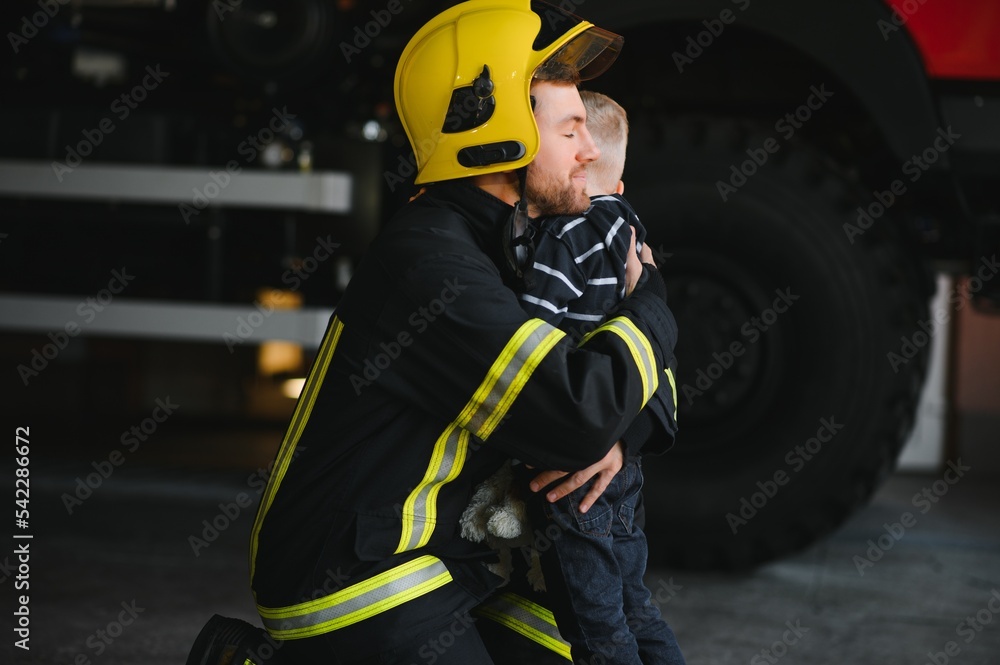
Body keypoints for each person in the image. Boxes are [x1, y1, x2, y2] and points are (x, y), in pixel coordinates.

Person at [184, 1, 678, 663]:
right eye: (570, 130)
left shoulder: (531, 243)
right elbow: (578, 410)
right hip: (358, 568)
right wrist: (649, 301)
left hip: (465, 550)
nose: (591, 151)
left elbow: (642, 393)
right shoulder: (434, 263)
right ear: (497, 133)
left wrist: (623, 433)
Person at [511, 89, 685, 664]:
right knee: (635, 604)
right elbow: (654, 345)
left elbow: (529, 329)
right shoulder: (633, 234)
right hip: (623, 459)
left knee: (595, 626)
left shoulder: (568, 235)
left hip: (574, 463)